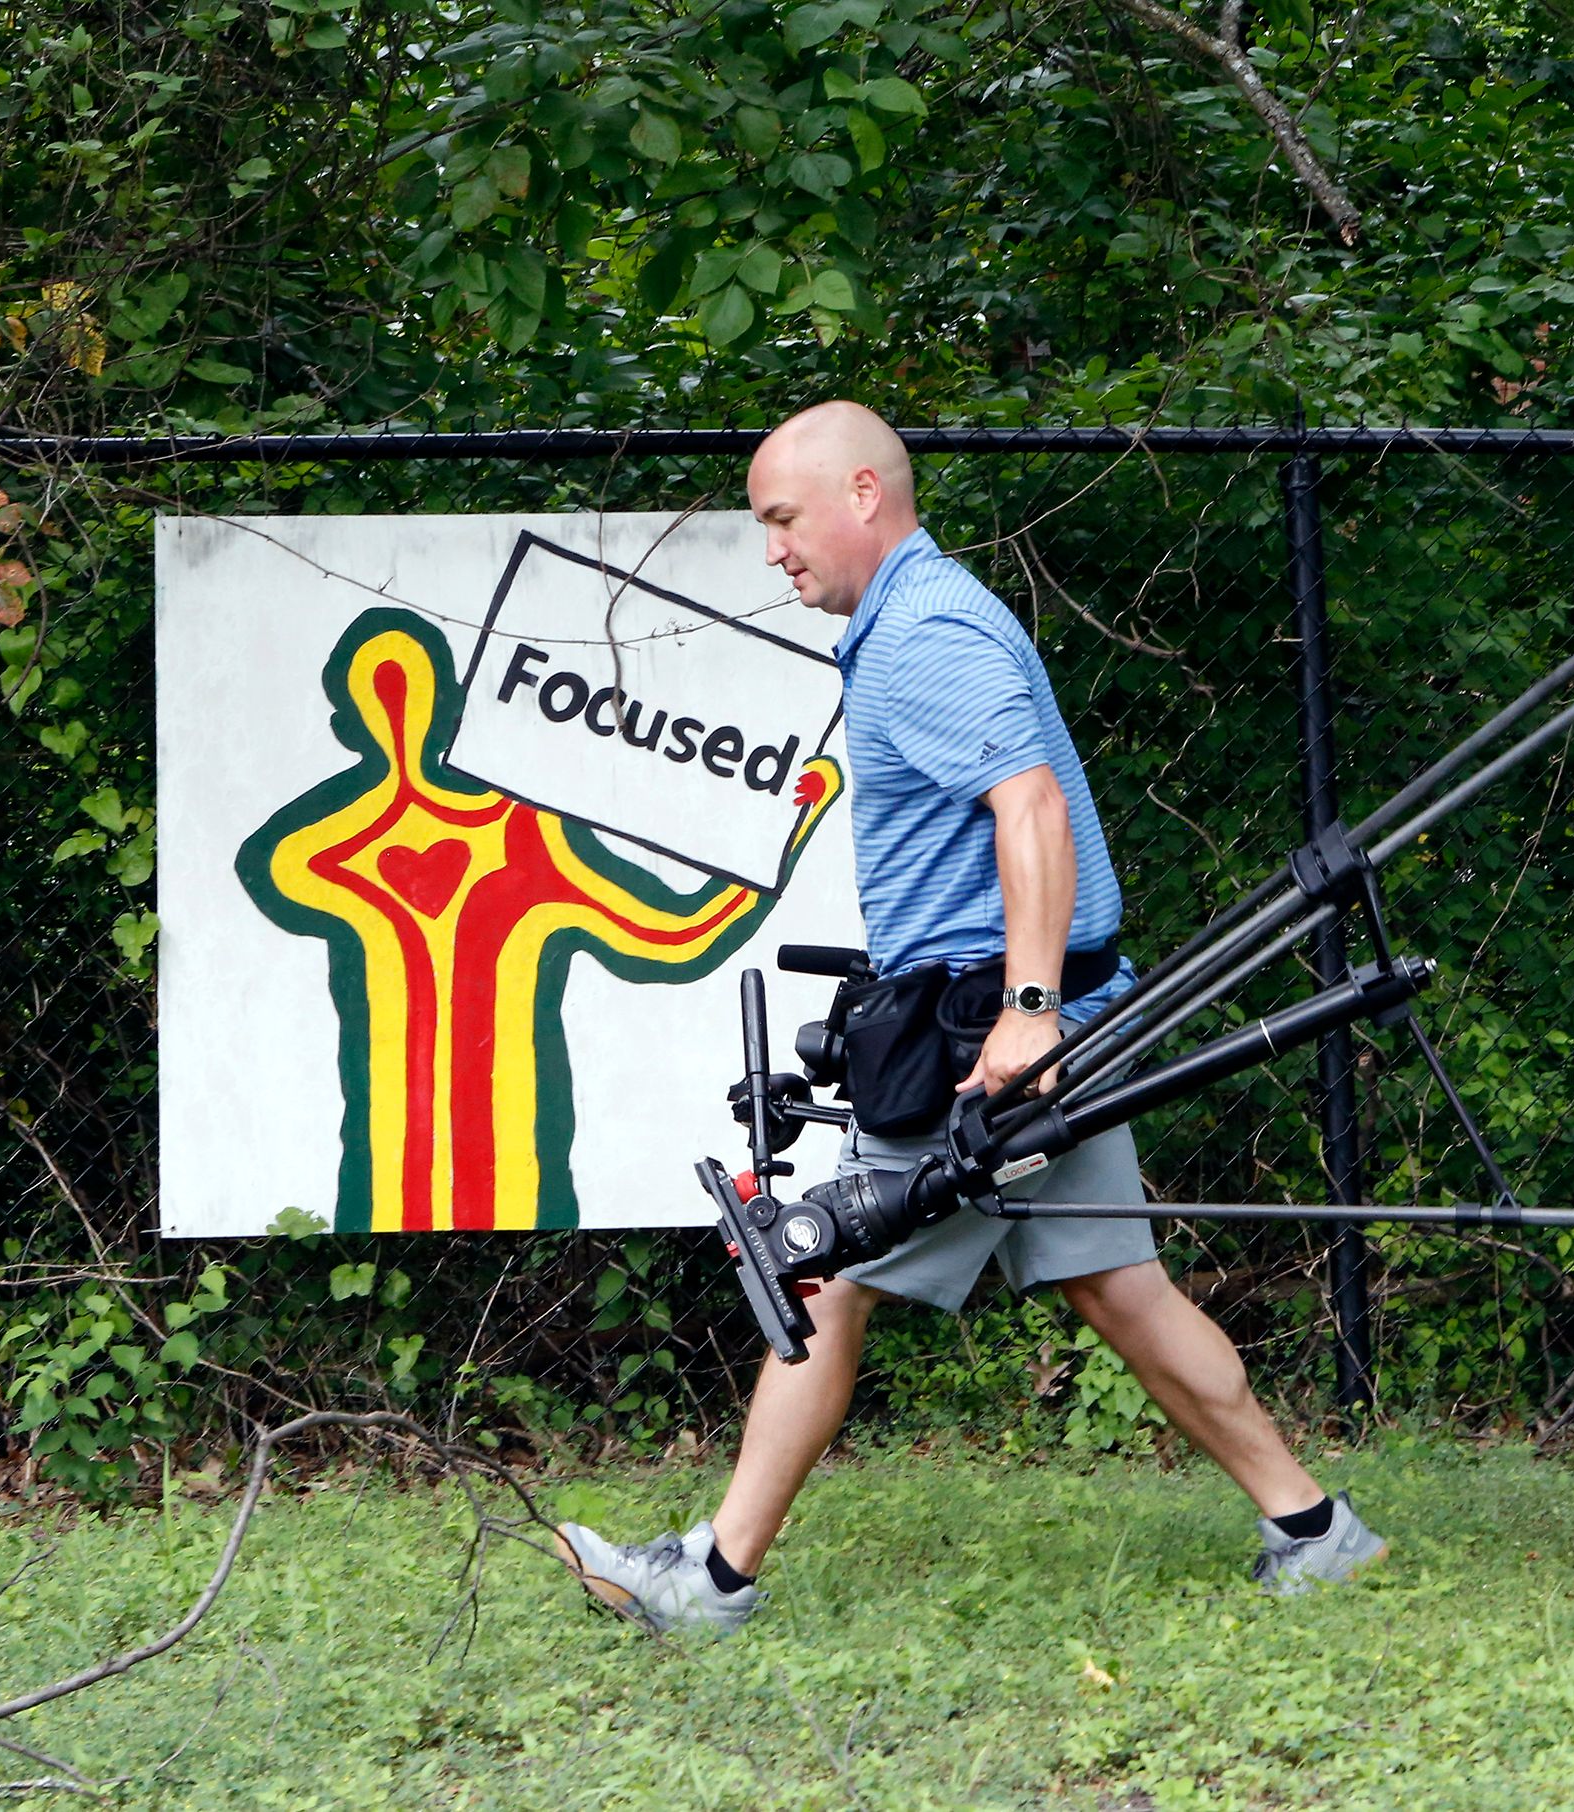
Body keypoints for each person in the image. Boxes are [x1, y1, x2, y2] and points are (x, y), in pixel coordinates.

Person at [556, 402, 1386, 1634]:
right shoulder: (911, 620)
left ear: (860, 495)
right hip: (1008, 1027)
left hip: (986, 1049)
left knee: (821, 1272)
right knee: (1123, 1288)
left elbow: (1031, 808)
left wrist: (1030, 1012)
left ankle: (709, 1583)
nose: (772, 550)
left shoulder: (924, 634)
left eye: (782, 519)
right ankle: (1316, 1532)